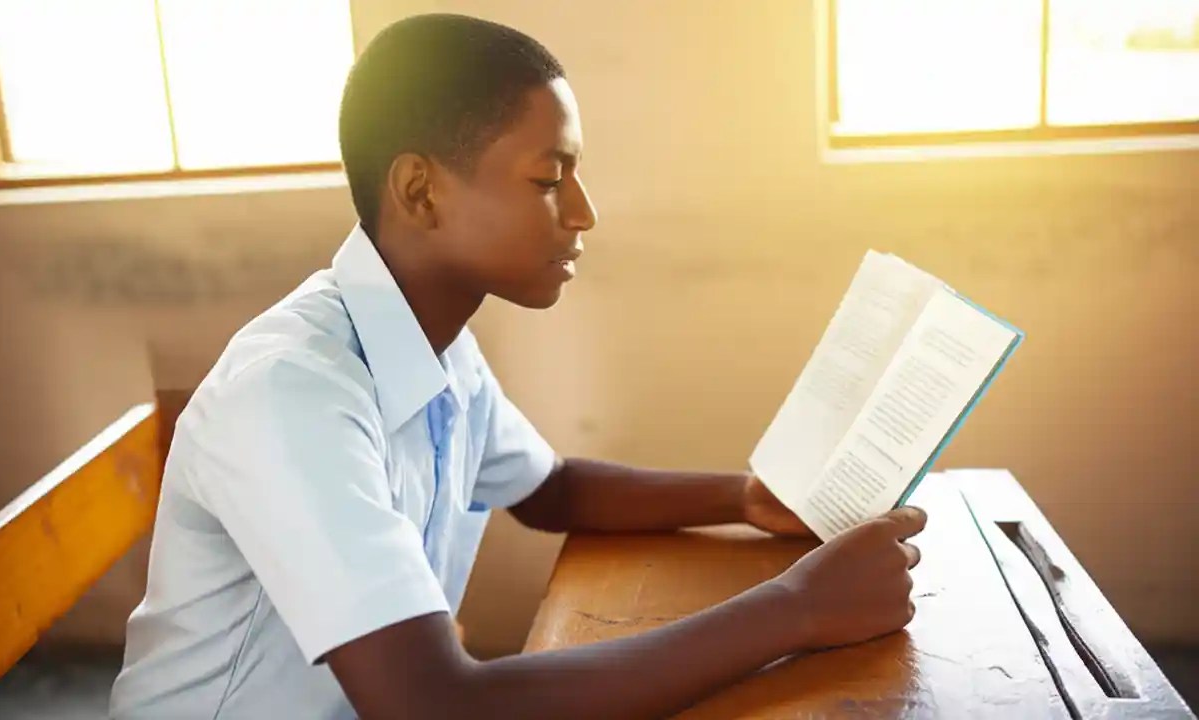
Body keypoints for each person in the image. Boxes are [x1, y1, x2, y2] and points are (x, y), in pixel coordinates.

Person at [109, 13, 926, 719]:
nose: (584, 212)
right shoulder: (292, 391)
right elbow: (436, 705)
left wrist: (744, 497)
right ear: (421, 192)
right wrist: (795, 609)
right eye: (549, 177)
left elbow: (550, 488)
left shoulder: (434, 345)